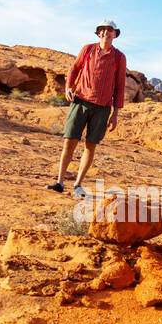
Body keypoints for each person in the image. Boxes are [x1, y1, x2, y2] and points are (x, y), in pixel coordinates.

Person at [47, 22, 127, 196]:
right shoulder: (88, 49)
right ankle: (60, 182)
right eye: (103, 30)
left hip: (103, 107)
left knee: (90, 146)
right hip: (81, 101)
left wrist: (115, 114)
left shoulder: (119, 57)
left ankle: (78, 185)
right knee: (70, 141)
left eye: (110, 30)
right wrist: (68, 86)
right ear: (98, 34)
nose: (106, 32)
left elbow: (120, 86)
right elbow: (74, 69)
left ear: (115, 35)